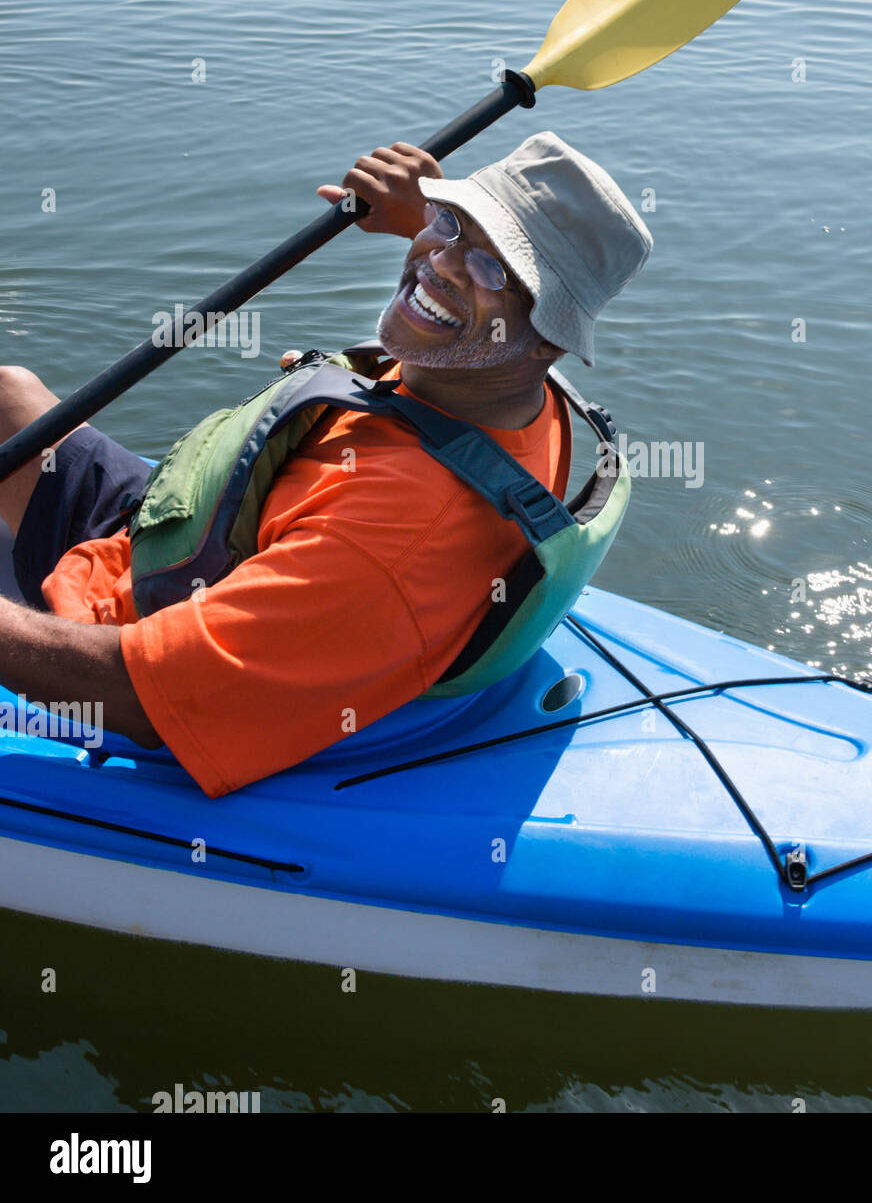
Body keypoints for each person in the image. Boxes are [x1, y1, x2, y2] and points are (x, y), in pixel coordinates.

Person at [0, 131, 651, 795]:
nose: (440, 263)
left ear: (552, 338)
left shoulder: (389, 544)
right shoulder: (497, 378)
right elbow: (461, 278)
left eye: (494, 268)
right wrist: (423, 222)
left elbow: (139, 698)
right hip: (191, 542)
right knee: (7, 396)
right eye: (452, 223)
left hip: (125, 647)